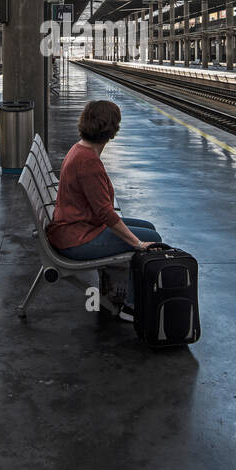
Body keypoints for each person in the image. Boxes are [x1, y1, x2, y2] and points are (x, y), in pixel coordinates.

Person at [46, 99, 160, 323]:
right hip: (77, 238)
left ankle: (122, 292)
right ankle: (131, 306)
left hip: (73, 227)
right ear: (112, 130)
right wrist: (137, 244)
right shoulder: (88, 162)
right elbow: (105, 213)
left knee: (149, 228)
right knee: (152, 240)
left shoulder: (80, 149)